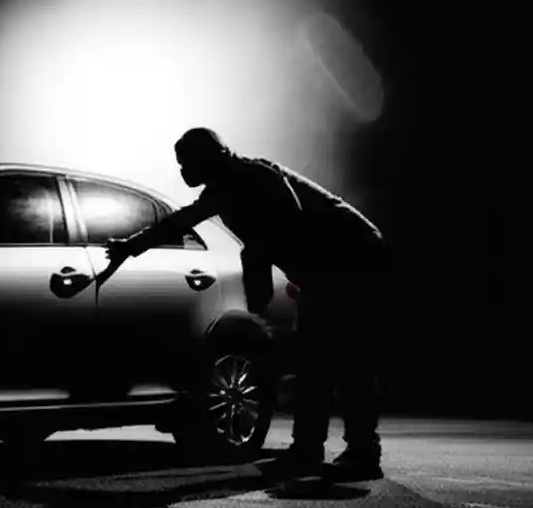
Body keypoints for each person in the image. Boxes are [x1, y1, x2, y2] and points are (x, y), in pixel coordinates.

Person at [106, 127, 389, 482]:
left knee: (345, 361)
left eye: (187, 162)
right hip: (330, 267)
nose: (183, 171)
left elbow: (292, 225)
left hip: (353, 258)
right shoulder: (223, 189)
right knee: (317, 361)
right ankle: (311, 451)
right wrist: (130, 247)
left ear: (211, 157)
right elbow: (180, 222)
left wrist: (260, 268)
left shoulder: (257, 176)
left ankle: (357, 454)